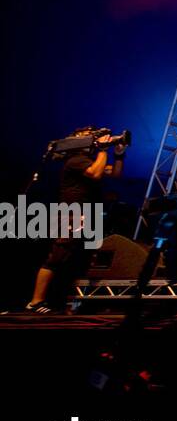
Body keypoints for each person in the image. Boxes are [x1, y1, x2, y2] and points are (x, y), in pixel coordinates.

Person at [24, 127, 112, 313]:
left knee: (82, 258)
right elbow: (96, 173)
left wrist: (119, 154)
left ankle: (68, 301)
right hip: (72, 212)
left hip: (85, 212)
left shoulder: (88, 161)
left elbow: (114, 172)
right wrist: (104, 150)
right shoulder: (76, 160)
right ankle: (35, 301)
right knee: (58, 255)